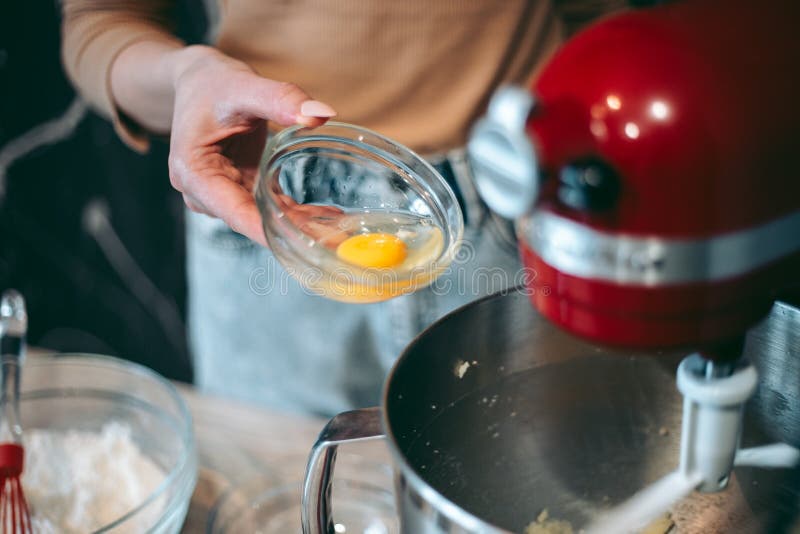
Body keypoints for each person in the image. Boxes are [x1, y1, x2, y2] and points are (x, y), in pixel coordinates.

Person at [61, 0, 627, 416]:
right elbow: (103, 19)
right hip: (266, 207)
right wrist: (187, 78)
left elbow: (598, 16)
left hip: (514, 199)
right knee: (278, 499)